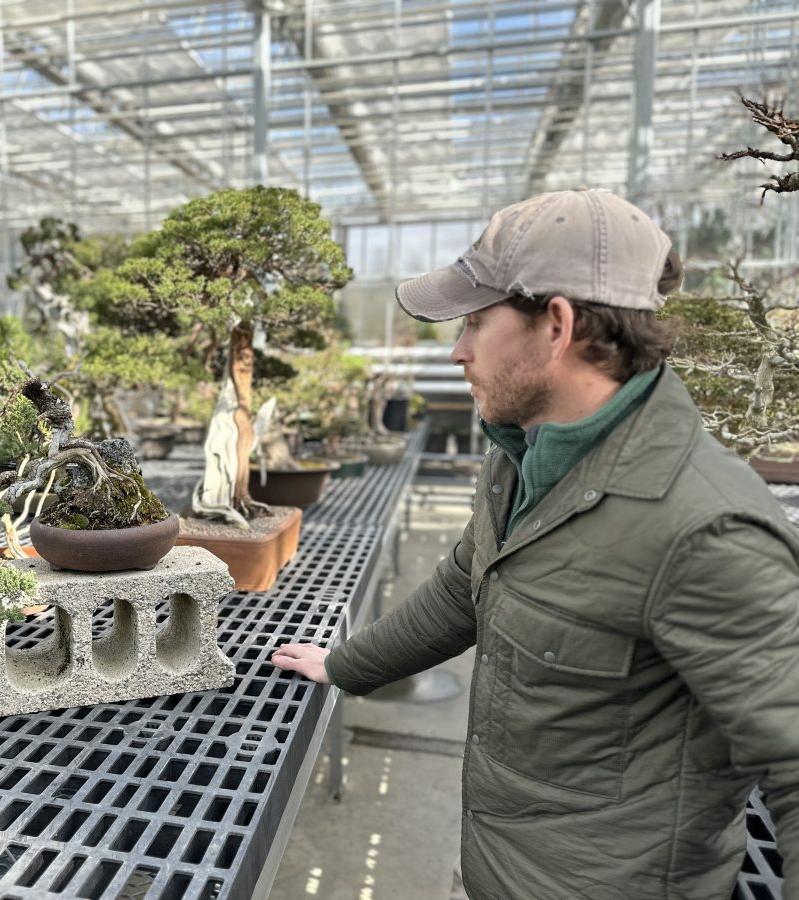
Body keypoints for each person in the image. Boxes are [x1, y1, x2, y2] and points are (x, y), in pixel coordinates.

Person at [271, 189, 799, 900]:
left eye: (477, 323)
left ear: (557, 326)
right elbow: (463, 587)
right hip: (494, 867)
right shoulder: (524, 453)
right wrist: (346, 663)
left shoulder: (705, 527)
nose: (457, 352)